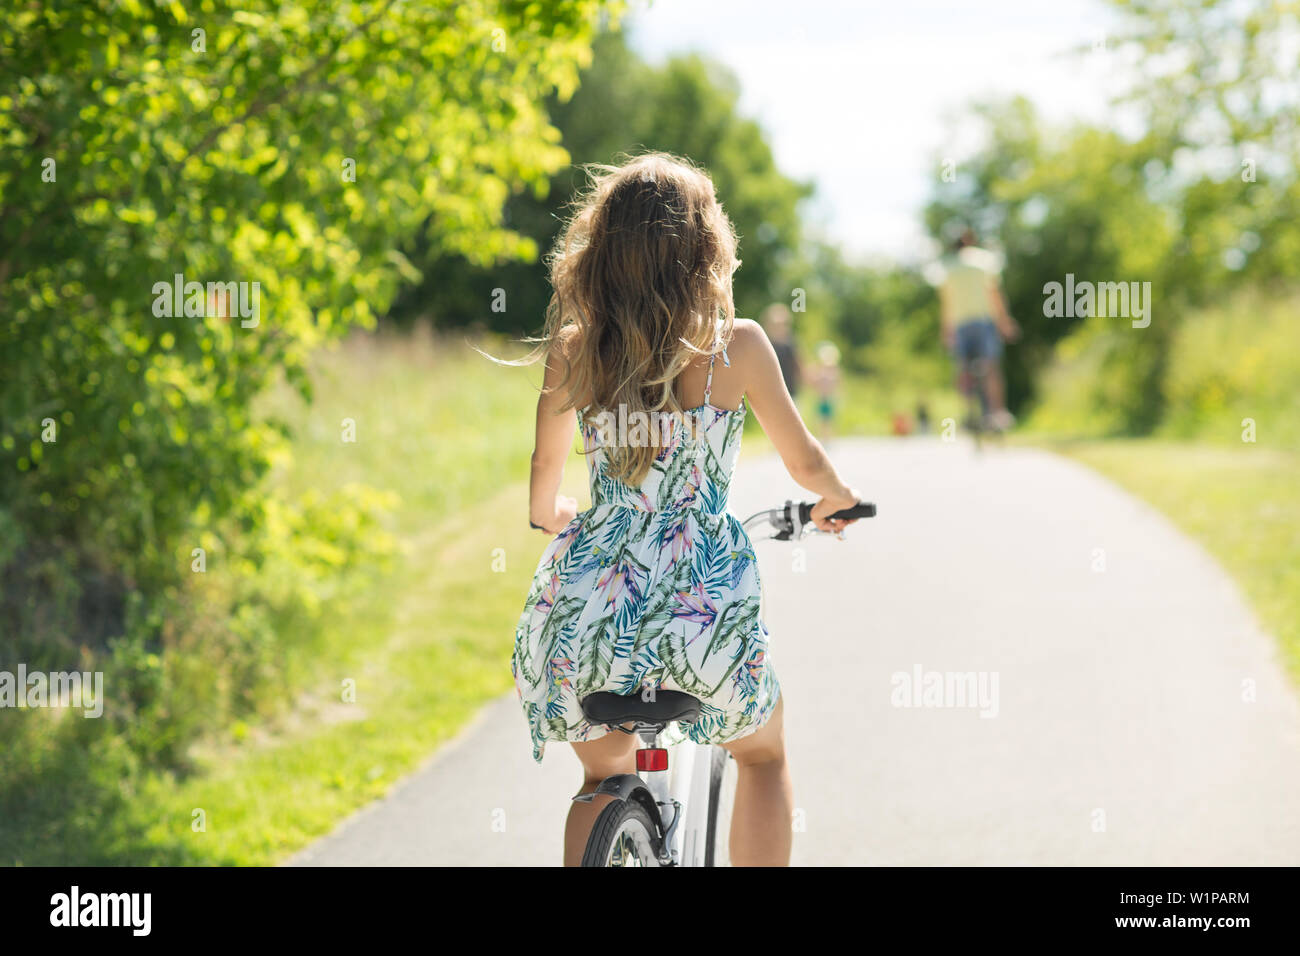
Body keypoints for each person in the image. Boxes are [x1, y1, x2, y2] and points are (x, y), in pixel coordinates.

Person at [511, 153, 862, 867]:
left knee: (600, 777)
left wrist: (555, 515)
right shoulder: (737, 348)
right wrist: (836, 499)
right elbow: (803, 460)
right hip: (699, 609)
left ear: (601, 250)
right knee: (762, 752)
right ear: (708, 248)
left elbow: (544, 478)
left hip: (590, 617)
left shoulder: (574, 350)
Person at [934, 229, 1020, 430]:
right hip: (984, 320)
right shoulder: (983, 261)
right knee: (991, 367)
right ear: (971, 241)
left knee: (963, 369)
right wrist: (1004, 321)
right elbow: (993, 293)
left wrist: (946, 331)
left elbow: (946, 303)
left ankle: (967, 414)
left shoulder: (949, 268)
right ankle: (998, 413)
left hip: (960, 324)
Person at [759, 303, 802, 398]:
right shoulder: (763, 343)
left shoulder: (790, 344)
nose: (779, 329)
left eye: (782, 325)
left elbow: (799, 365)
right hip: (768, 393)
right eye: (775, 325)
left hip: (790, 393)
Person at [810, 341, 841, 442]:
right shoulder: (820, 371)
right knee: (821, 419)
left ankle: (828, 436)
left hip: (829, 399)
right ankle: (823, 436)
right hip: (821, 399)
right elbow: (815, 384)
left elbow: (837, 385)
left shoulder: (834, 372)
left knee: (829, 419)